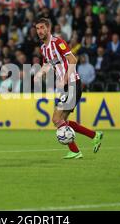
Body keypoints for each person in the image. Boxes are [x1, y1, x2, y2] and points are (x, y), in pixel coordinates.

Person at [34, 18, 103, 159]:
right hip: (65, 87)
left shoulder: (58, 42)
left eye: (42, 27)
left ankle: (79, 148)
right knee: (61, 120)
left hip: (72, 83)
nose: (39, 31)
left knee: (56, 118)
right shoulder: (43, 48)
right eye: (37, 28)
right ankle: (92, 137)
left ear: (48, 28)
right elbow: (47, 64)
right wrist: (39, 74)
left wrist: (65, 78)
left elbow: (73, 60)